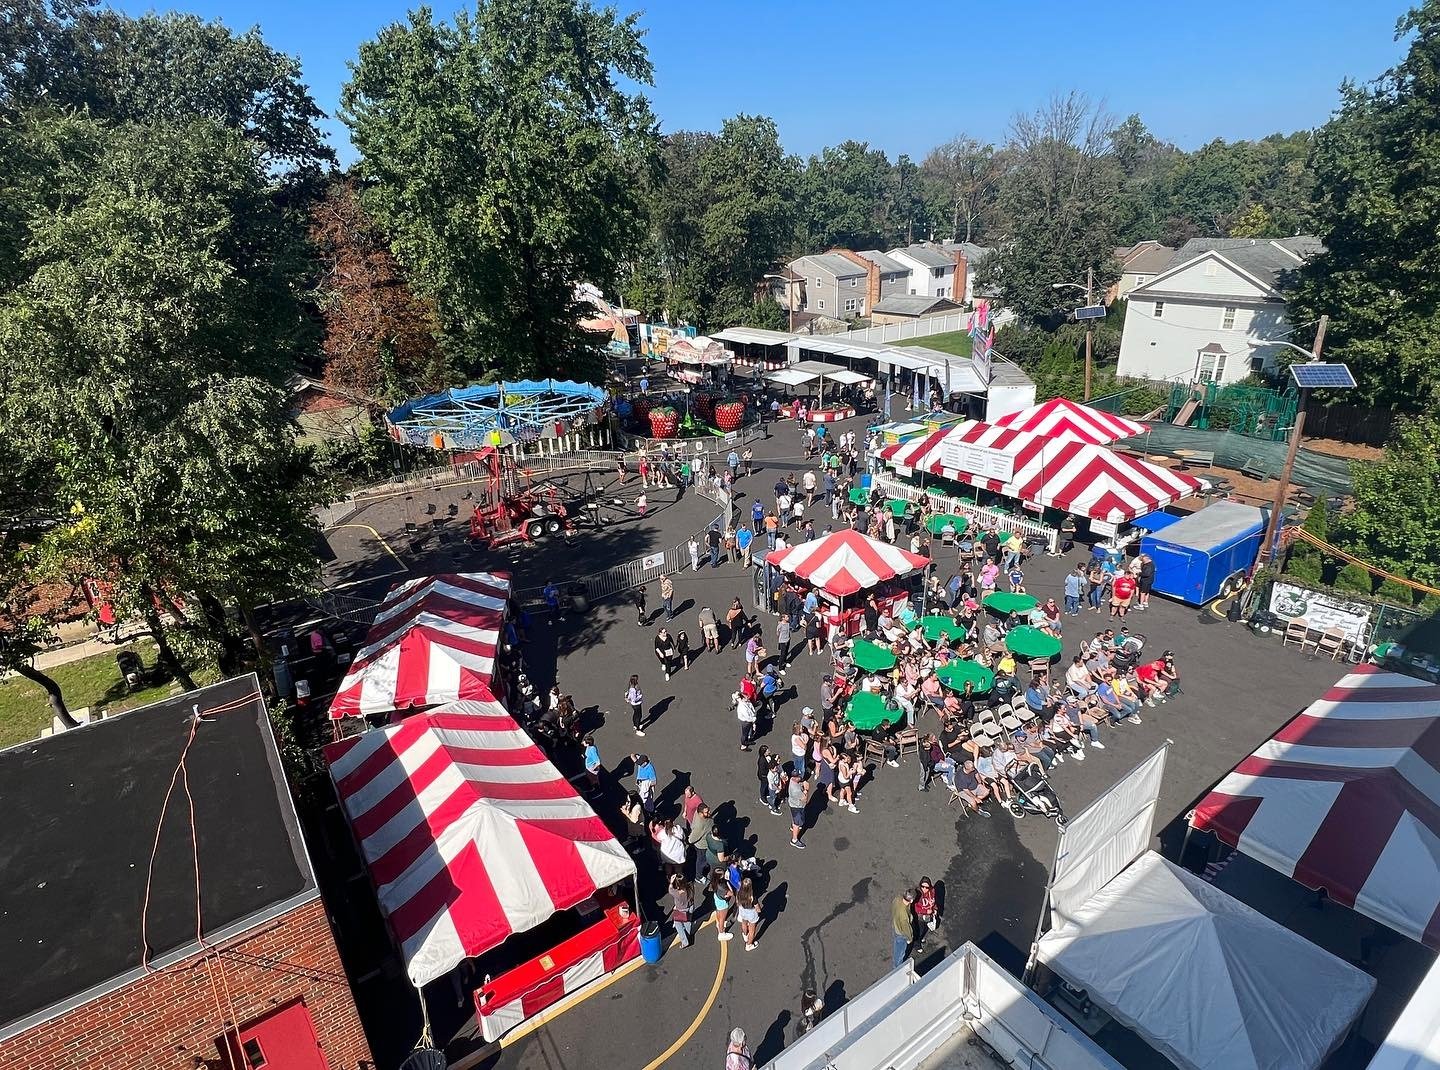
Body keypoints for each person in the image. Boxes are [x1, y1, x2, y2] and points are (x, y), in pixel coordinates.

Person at [669, 873, 696, 948]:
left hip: (681, 910)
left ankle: (685, 941)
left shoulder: (677, 893)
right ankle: (688, 933)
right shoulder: (690, 886)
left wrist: (671, 881)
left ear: (677, 886)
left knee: (678, 925)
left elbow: (670, 889)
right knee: (688, 921)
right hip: (690, 906)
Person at [786, 764, 810, 849]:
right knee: (798, 823)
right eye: (799, 776)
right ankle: (794, 840)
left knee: (795, 820)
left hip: (793, 804)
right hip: (797, 807)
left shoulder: (792, 780)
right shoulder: (795, 790)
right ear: (795, 778)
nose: (800, 777)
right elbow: (805, 800)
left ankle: (793, 826)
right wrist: (806, 789)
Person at [892, 889, 916, 968]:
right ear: (911, 900)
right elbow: (906, 928)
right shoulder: (904, 914)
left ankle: (896, 964)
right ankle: (897, 968)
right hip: (901, 934)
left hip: (896, 926)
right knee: (900, 952)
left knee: (897, 948)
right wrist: (909, 938)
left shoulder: (897, 899)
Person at [736, 877, 761, 951]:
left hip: (742, 910)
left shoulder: (738, 892)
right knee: (752, 930)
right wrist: (759, 911)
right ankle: (749, 945)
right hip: (751, 913)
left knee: (744, 922)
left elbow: (737, 902)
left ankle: (745, 934)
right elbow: (758, 908)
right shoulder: (752, 897)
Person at [711, 870, 735, 942]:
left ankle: (718, 924)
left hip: (717, 898)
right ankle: (721, 933)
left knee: (718, 912)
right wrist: (728, 883)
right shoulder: (722, 886)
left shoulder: (714, 881)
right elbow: (731, 893)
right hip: (723, 903)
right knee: (722, 918)